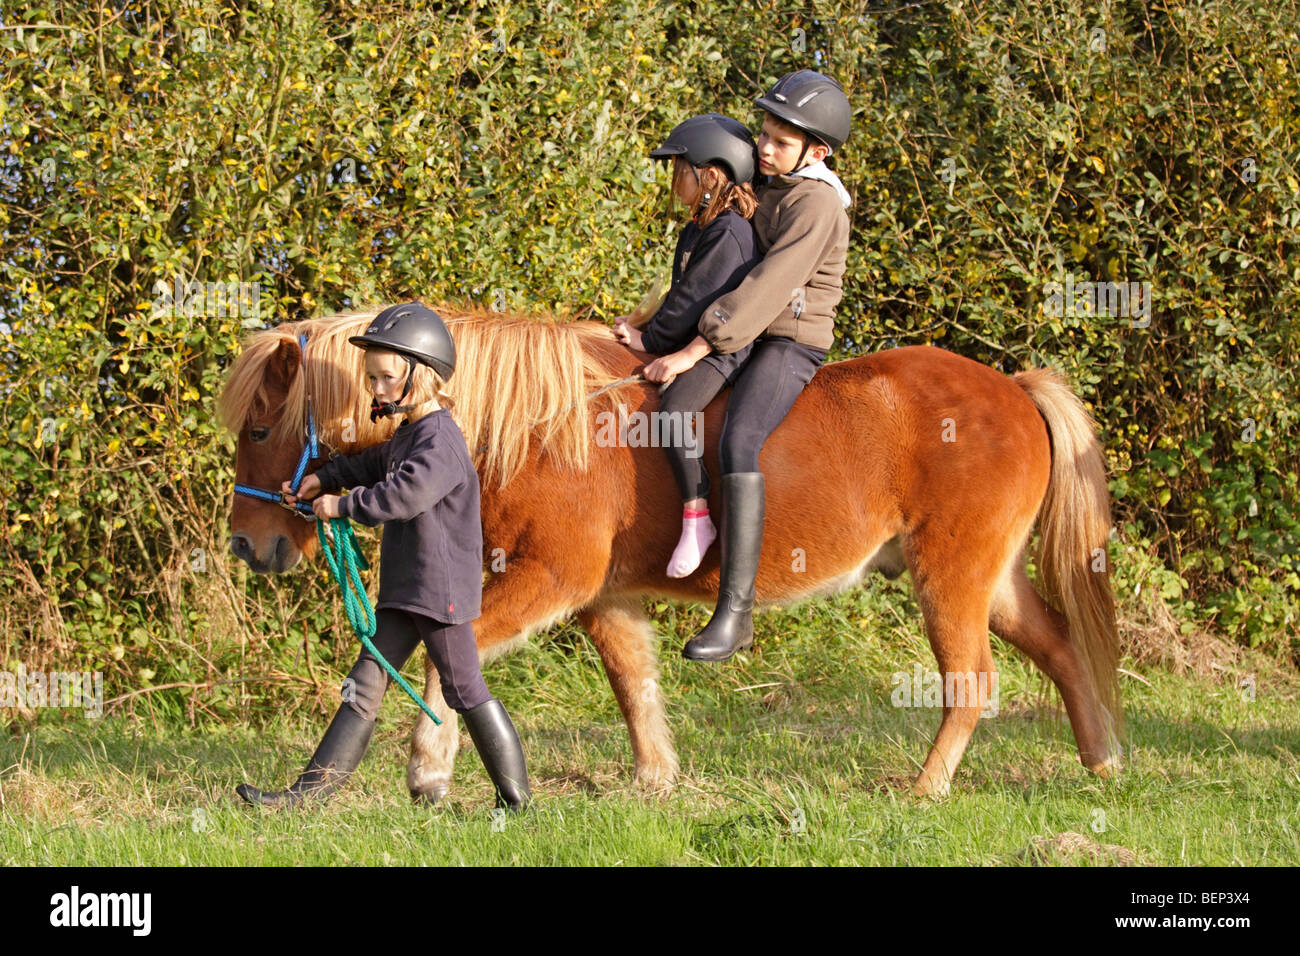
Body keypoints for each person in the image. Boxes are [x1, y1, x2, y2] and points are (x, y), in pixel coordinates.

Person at [235, 302, 531, 811]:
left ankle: (516, 799)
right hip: (405, 594)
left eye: (385, 378)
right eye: (371, 377)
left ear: (422, 376)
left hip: (439, 598)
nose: (375, 389)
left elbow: (403, 495)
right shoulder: (409, 434)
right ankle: (306, 798)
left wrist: (340, 506)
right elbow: (373, 461)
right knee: (362, 688)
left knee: (465, 692)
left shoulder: (440, 440)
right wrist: (324, 478)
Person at [637, 71, 854, 663]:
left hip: (786, 339)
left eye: (781, 143)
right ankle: (693, 515)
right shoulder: (774, 180)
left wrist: (694, 349)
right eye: (763, 135)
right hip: (744, 334)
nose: (764, 149)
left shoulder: (817, 202)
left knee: (739, 442)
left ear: (818, 152)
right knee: (674, 412)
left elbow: (767, 287)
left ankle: (735, 611)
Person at [614, 113, 761, 578]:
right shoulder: (698, 227)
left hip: (722, 347)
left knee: (675, 408)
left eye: (681, 169)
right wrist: (643, 327)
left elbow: (697, 302)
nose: (674, 178)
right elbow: (680, 295)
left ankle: (698, 517)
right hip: (697, 338)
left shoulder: (730, 232)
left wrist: (650, 340)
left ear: (711, 174)